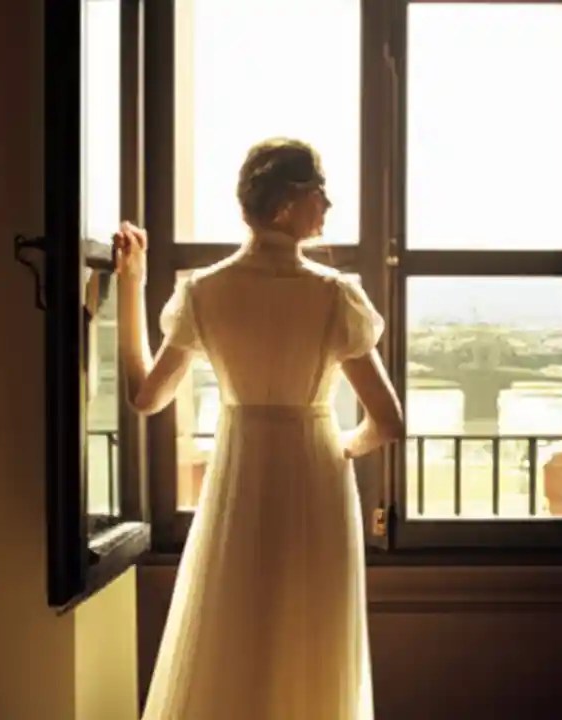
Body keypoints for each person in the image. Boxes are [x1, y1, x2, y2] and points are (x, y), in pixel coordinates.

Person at [114, 138, 404, 720]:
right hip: (314, 474)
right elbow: (388, 421)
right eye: (319, 189)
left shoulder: (204, 291)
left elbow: (145, 398)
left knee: (231, 628)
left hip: (238, 473)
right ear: (287, 202)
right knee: (313, 635)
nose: (329, 202)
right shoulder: (333, 296)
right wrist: (340, 446)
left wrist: (130, 287)